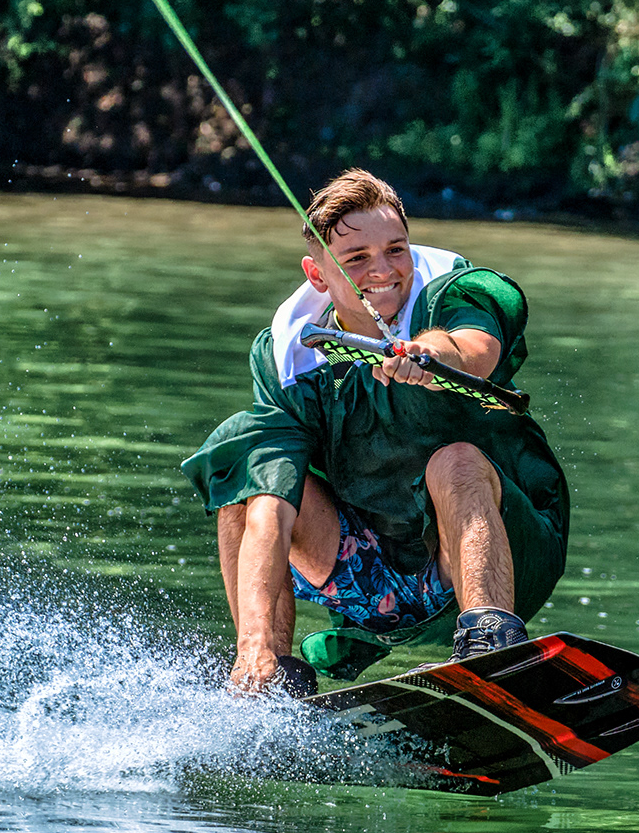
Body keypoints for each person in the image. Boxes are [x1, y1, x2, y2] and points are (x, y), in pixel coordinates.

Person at [181, 169, 569, 695]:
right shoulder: (288, 356)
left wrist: (433, 355)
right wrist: (253, 641)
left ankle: (489, 644)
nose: (383, 271)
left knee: (455, 461)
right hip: (371, 578)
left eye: (395, 250)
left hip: (494, 558)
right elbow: (271, 492)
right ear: (317, 275)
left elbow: (477, 347)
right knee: (246, 479)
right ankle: (262, 671)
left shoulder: (455, 292)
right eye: (356, 258)